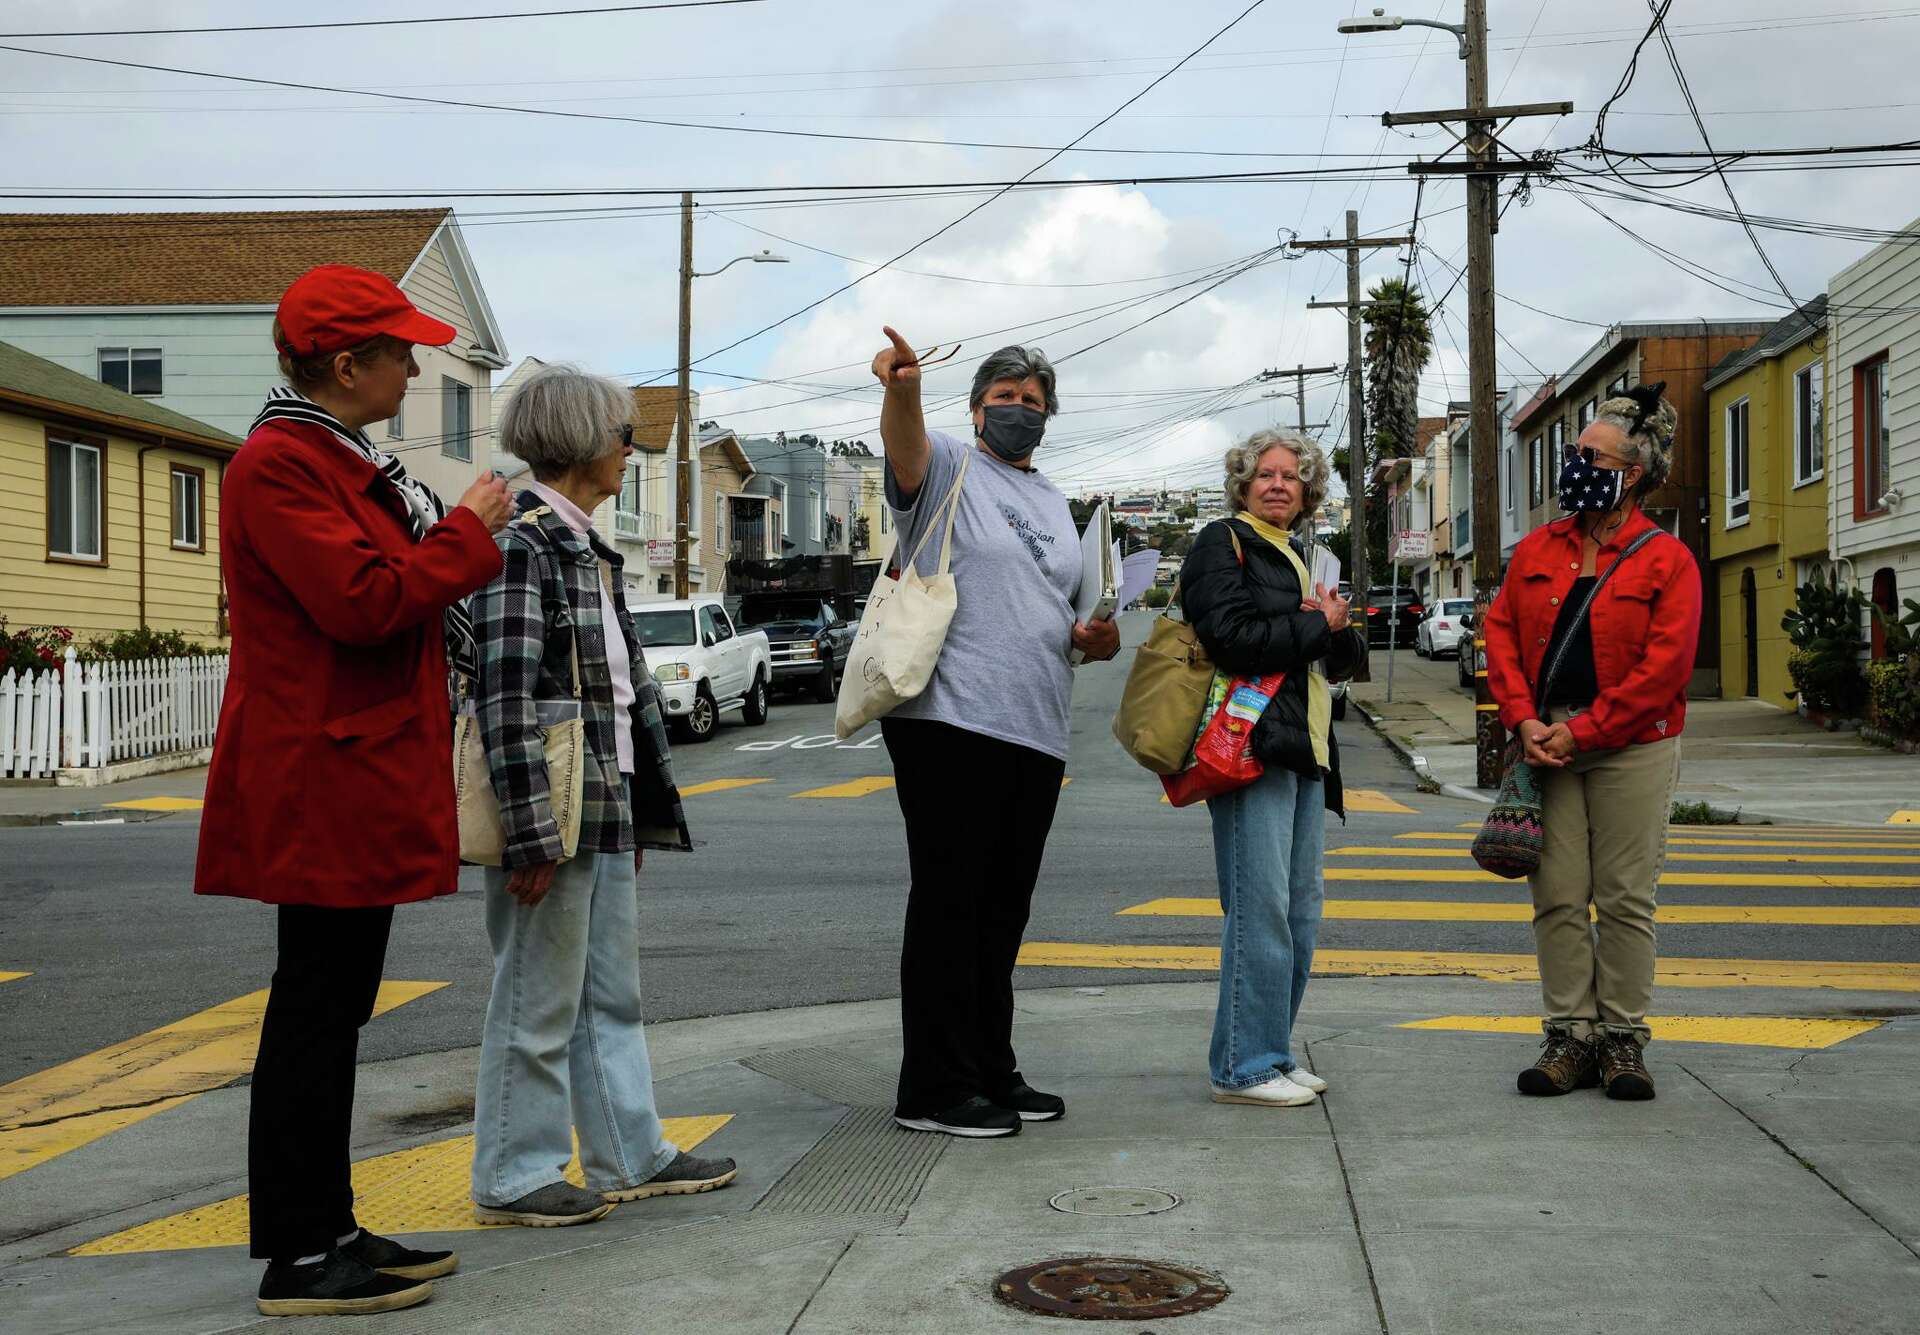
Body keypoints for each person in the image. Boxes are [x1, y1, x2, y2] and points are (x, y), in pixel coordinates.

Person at [196, 264, 513, 1317]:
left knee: (332, 1012)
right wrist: (467, 533)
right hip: (319, 773)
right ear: (344, 363)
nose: (414, 366)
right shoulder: (281, 467)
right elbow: (366, 602)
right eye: (396, 350)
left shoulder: (336, 460)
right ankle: (299, 1253)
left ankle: (328, 1229)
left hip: (347, 764)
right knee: (314, 1014)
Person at [468, 365, 734, 1226]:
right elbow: (504, 697)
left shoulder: (582, 544)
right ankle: (514, 1172)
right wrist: (530, 833)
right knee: (538, 998)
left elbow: (617, 699)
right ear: (583, 440)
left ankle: (629, 1150)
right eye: (622, 433)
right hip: (554, 809)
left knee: (607, 994)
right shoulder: (523, 542)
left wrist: (635, 816)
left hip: (602, 802)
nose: (630, 447)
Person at [870, 330, 1120, 1138]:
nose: (1018, 410)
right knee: (951, 903)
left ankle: (989, 1068)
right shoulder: (946, 464)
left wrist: (1097, 636)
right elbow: (902, 445)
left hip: (1034, 728)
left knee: (1001, 912)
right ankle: (933, 1089)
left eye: (1033, 402)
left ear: (1049, 418)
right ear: (976, 408)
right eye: (1003, 398)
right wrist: (902, 389)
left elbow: (1067, 608)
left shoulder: (1053, 498)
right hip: (950, 719)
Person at [1484, 384, 1700, 1101]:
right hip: (1546, 741)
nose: (1572, 464)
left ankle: (1622, 1039)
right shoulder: (1539, 549)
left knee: (1625, 896)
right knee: (1558, 896)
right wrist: (1523, 720)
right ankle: (1569, 1035)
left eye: (1587, 454)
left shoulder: (1666, 559)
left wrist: (1582, 731)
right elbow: (1503, 636)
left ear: (1630, 471)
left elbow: (1661, 673)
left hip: (1629, 746)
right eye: (1575, 452)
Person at [1180, 431, 1366, 1108]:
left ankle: (1274, 1049)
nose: (1279, 484)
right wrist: (1317, 624)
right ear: (1243, 483)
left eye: (1292, 475)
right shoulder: (1222, 543)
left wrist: (1337, 627)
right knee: (1258, 911)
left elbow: (1341, 662)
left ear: (1309, 488)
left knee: (1299, 914)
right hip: (1250, 748)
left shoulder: (1311, 554)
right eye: (1265, 474)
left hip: (1308, 750)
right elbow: (1231, 639)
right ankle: (1243, 1065)